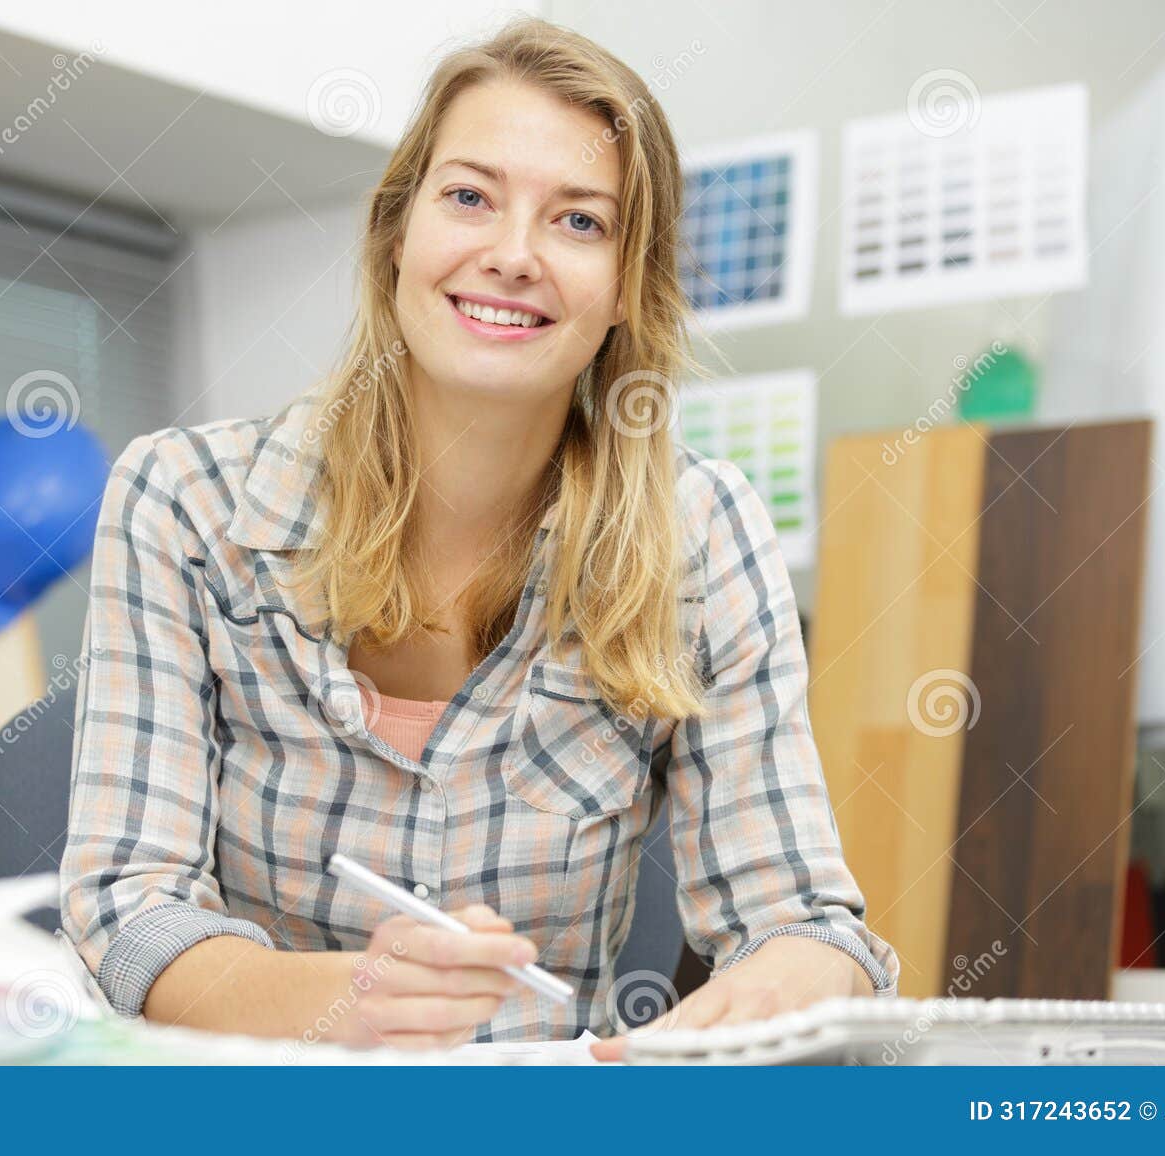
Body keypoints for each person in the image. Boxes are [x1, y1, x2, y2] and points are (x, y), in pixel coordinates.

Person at [60, 15, 898, 1059]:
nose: (512, 255)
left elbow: (808, 924)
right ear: (395, 235)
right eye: (469, 197)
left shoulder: (700, 534)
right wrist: (343, 1003)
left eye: (579, 222)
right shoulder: (183, 501)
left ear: (628, 288)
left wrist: (783, 986)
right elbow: (126, 909)